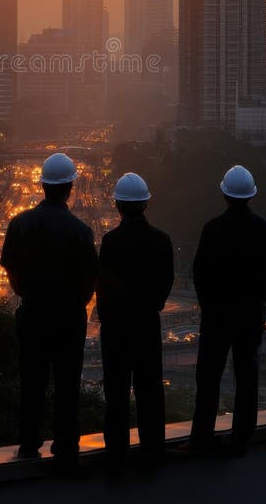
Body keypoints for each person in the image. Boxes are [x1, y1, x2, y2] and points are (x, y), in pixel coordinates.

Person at [0, 152, 98, 469]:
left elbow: (11, 271)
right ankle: (66, 443)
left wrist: (29, 295)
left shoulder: (20, 224)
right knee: (68, 384)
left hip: (33, 315)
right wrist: (73, 303)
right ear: (70, 186)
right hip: (69, 318)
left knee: (31, 381)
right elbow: (89, 282)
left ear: (42, 185)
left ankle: (29, 443)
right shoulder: (81, 232)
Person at [187, 165, 266, 457]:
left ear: (224, 194)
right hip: (249, 316)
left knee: (208, 378)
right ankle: (241, 437)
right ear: (251, 195)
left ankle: (201, 437)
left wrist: (210, 305)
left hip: (216, 317)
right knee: (247, 376)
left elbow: (199, 274)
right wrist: (256, 300)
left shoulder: (212, 229)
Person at [96, 172, 174, 470]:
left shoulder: (111, 241)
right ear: (146, 204)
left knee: (116, 393)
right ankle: (153, 451)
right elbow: (165, 281)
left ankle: (116, 454)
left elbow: (102, 285)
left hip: (116, 329)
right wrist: (153, 305)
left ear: (118, 205)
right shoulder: (162, 241)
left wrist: (107, 318)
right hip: (145, 325)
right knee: (150, 390)